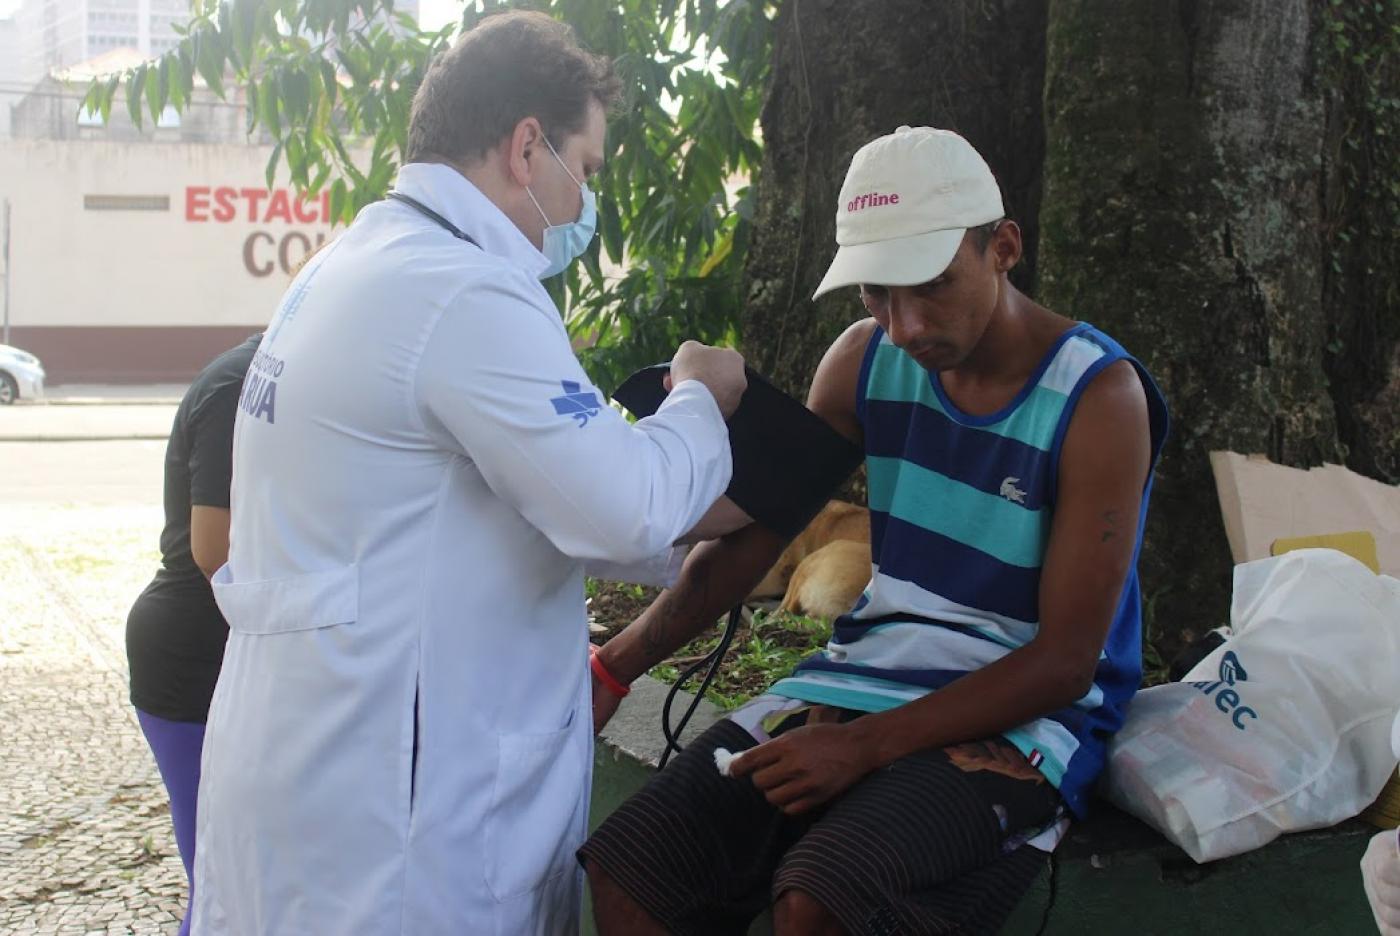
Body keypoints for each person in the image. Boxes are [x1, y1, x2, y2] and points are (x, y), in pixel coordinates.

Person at [190, 11, 747, 935]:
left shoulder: (352, 267)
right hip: (404, 821)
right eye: (589, 168)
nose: (584, 206)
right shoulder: (464, 291)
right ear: (529, 146)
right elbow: (625, 509)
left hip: (317, 775)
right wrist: (696, 395)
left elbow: (490, 496)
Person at [581, 125, 1171, 935]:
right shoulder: (865, 360)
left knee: (823, 897)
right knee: (632, 867)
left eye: (929, 283)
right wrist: (613, 670)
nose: (904, 325)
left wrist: (865, 749)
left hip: (1027, 712)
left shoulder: (1098, 398)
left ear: (1003, 247)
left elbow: (1067, 664)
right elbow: (761, 532)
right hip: (867, 674)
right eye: (876, 293)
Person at [124, 333, 260, 936]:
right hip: (192, 655)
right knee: (223, 888)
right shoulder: (242, 384)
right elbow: (214, 548)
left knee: (240, 884)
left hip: (220, 650)